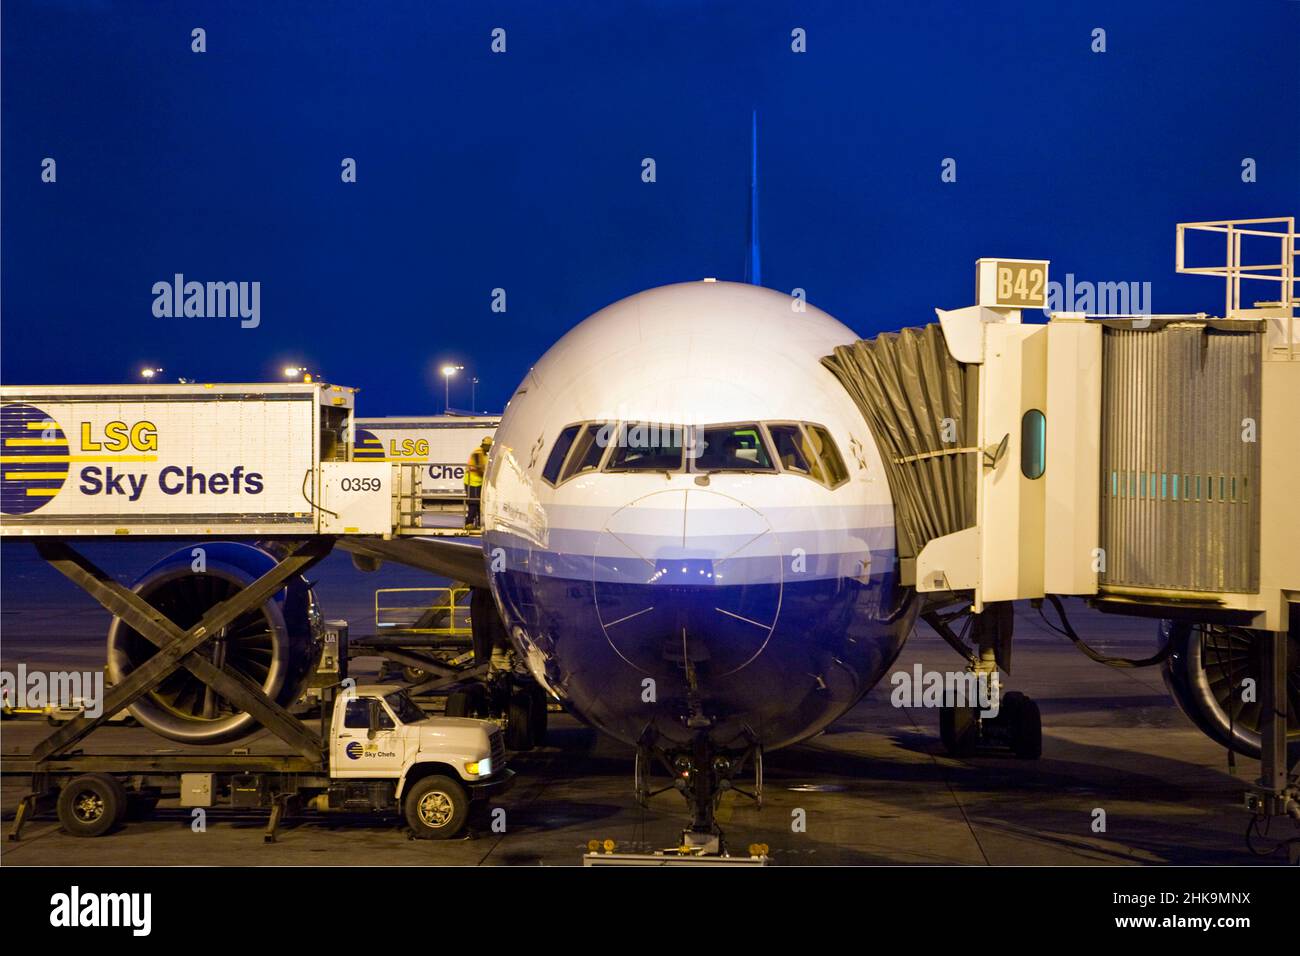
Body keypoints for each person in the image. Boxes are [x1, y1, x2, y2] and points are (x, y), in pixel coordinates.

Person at [465, 436, 492, 529]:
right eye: (489, 446)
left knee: (480, 503)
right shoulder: (477, 453)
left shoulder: (485, 455)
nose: (489, 448)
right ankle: (468, 522)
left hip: (479, 482)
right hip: (472, 482)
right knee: (474, 503)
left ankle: (480, 522)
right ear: (485, 445)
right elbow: (479, 468)